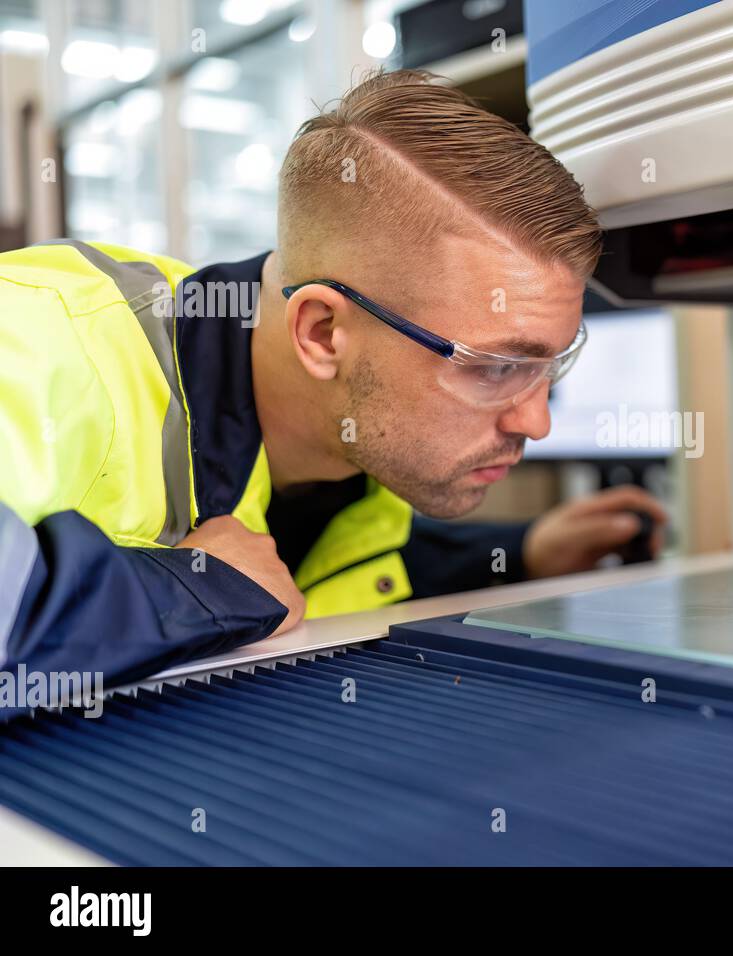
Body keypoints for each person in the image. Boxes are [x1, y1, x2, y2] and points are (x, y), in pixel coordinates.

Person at [0, 69, 666, 686]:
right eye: (495, 366)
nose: (537, 420)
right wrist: (199, 589)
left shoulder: (348, 456)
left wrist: (522, 552)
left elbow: (313, 556)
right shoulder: (36, 341)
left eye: (552, 361)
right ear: (321, 332)